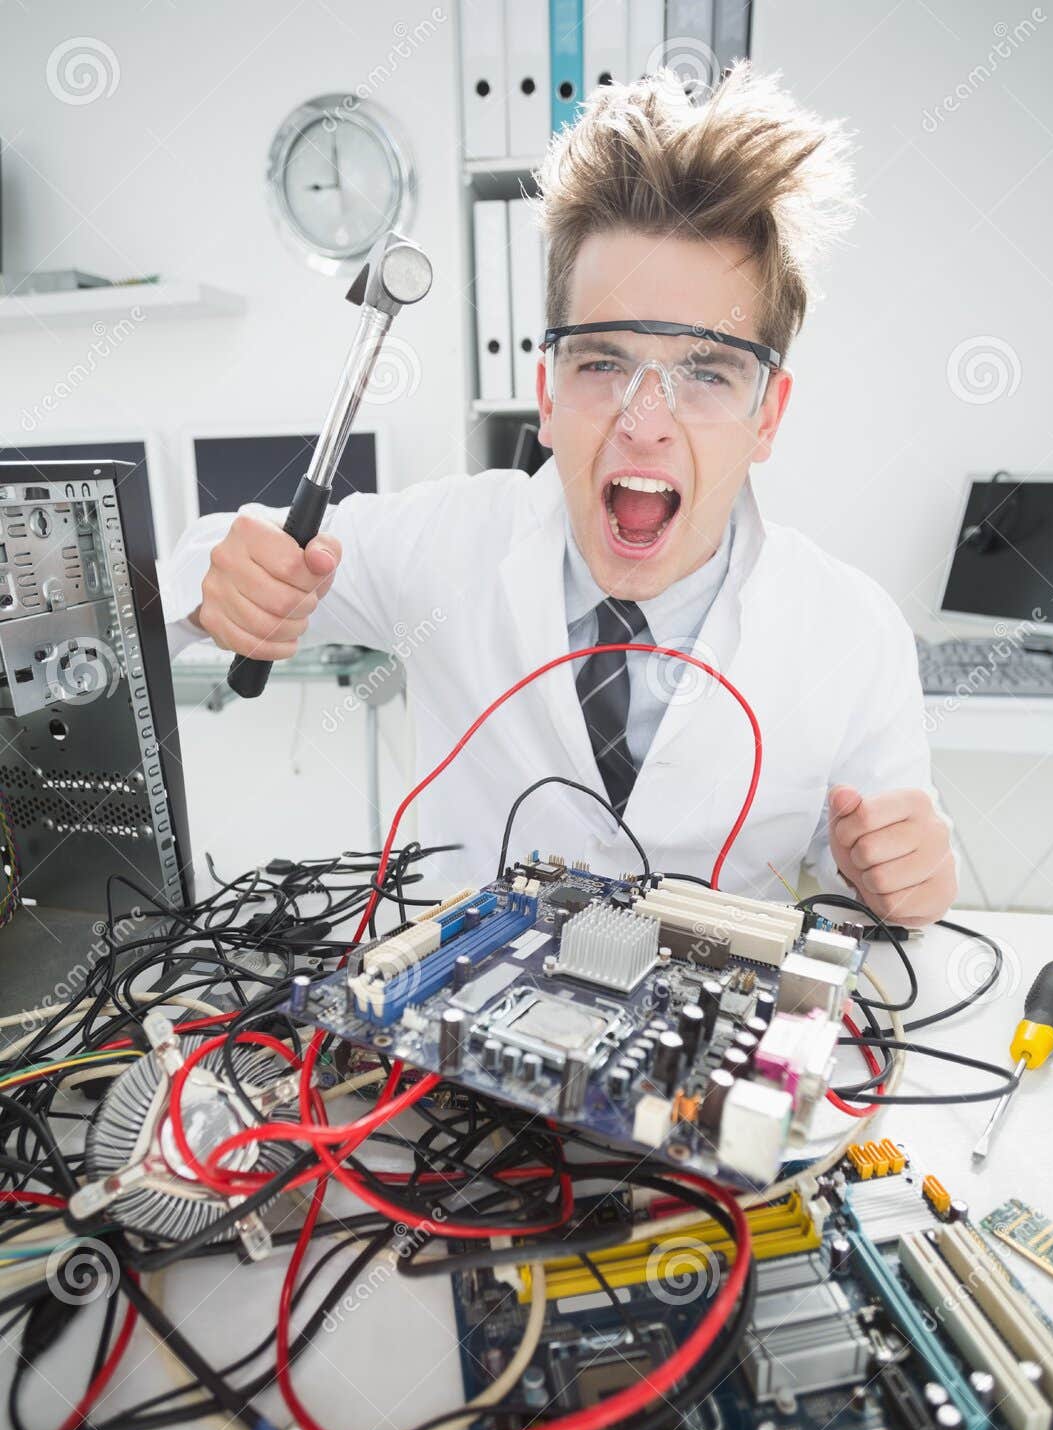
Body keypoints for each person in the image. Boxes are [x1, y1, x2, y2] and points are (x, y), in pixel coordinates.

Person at [164, 65, 955, 924]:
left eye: (706, 371)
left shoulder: (853, 632)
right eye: (603, 361)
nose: (643, 422)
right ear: (546, 395)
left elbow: (872, 906)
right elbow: (214, 552)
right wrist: (222, 578)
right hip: (453, 1035)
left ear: (767, 416)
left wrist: (902, 885)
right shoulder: (450, 541)